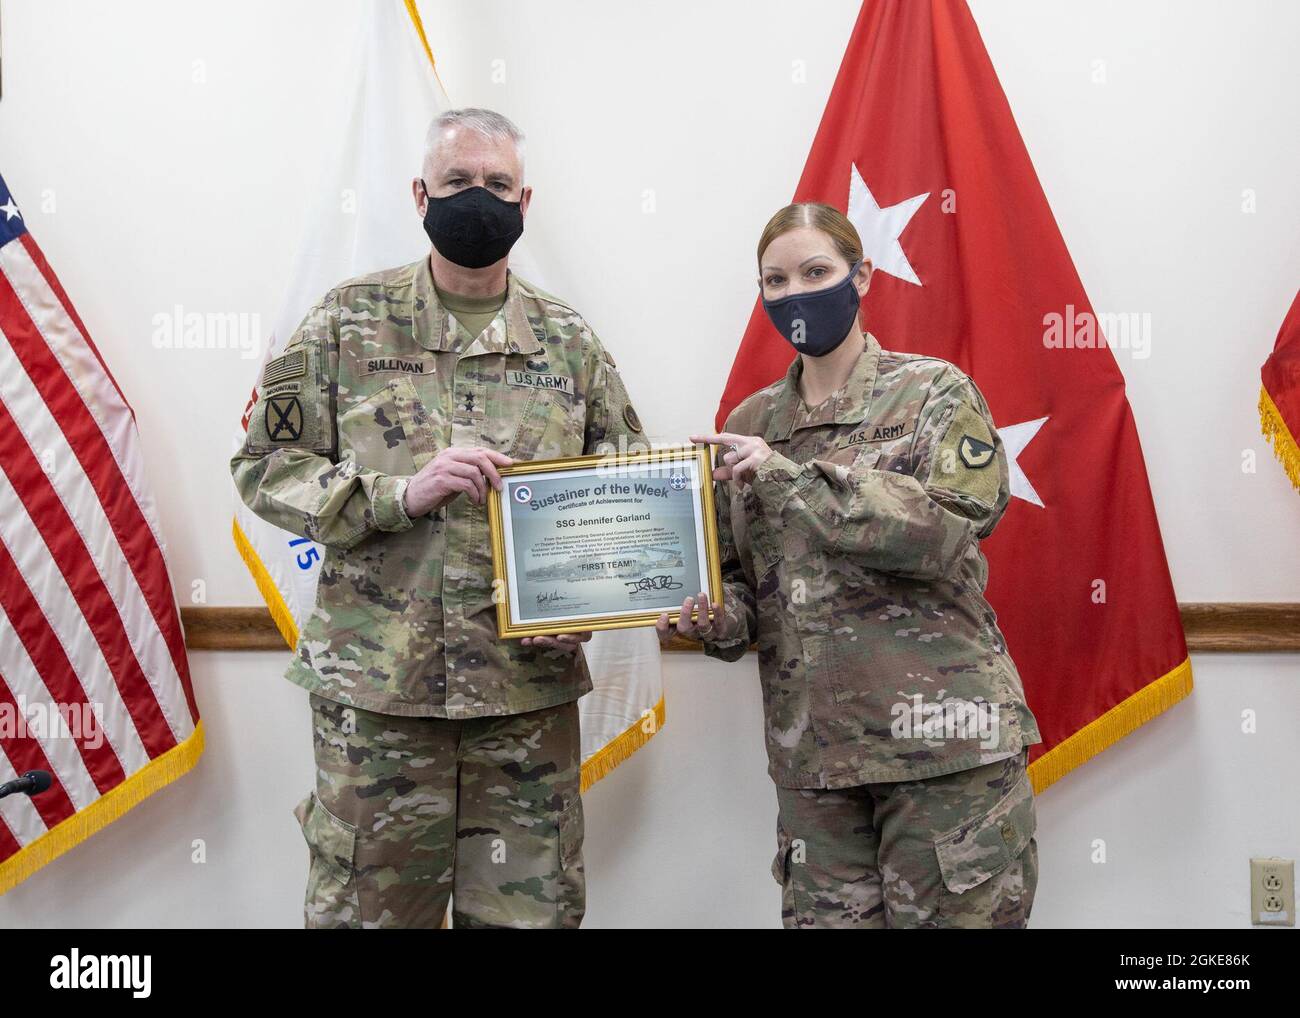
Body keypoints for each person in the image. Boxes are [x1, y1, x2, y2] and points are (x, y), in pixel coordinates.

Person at [231, 107, 646, 929]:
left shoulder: (569, 343)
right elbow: (264, 467)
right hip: (379, 701)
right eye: (459, 182)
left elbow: (627, 491)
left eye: (498, 184)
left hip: (522, 705)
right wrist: (396, 495)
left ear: (526, 203)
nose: (478, 198)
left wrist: (590, 608)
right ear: (420, 193)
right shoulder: (341, 322)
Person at [658, 201, 1043, 928]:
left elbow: (947, 530)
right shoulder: (748, 425)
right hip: (817, 767)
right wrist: (713, 616)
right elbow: (743, 586)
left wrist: (789, 480)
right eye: (776, 280)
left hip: (943, 750)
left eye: (816, 271)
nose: (796, 292)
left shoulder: (934, 391)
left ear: (861, 275)